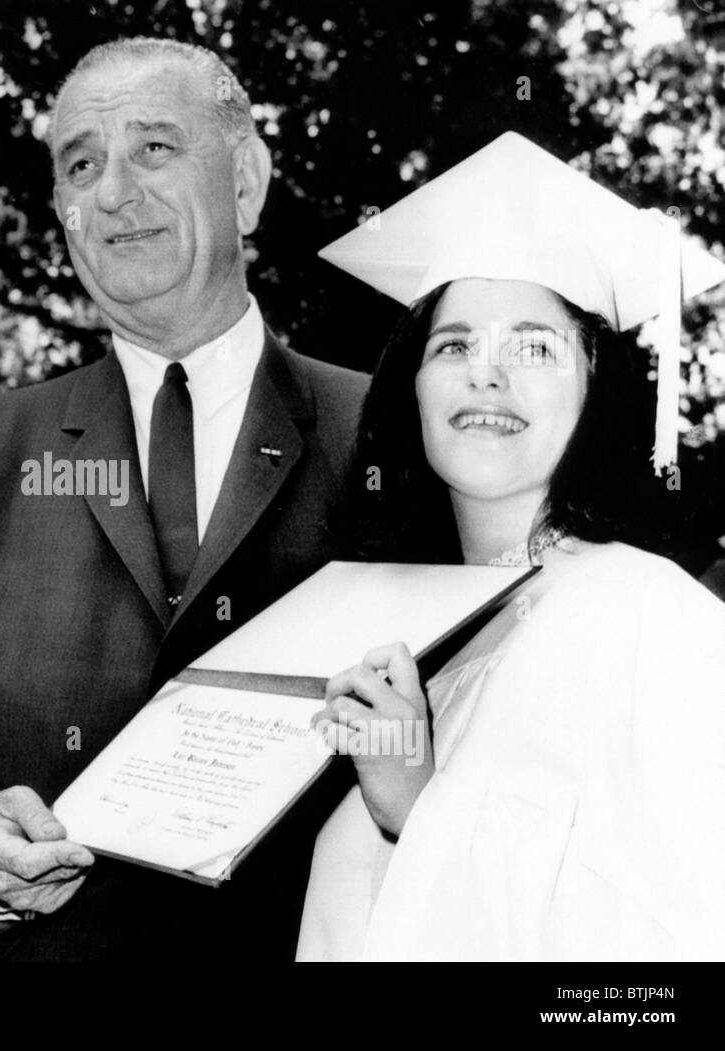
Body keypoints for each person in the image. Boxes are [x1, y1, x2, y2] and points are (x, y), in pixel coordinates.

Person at [0, 37, 369, 962]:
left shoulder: (381, 433)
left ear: (245, 183)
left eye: (154, 147)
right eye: (82, 163)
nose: (113, 190)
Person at [297, 132, 725, 960]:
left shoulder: (653, 616)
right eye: (453, 343)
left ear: (595, 390)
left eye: (534, 346)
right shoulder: (407, 649)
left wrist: (421, 812)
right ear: (412, 386)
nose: (485, 373)